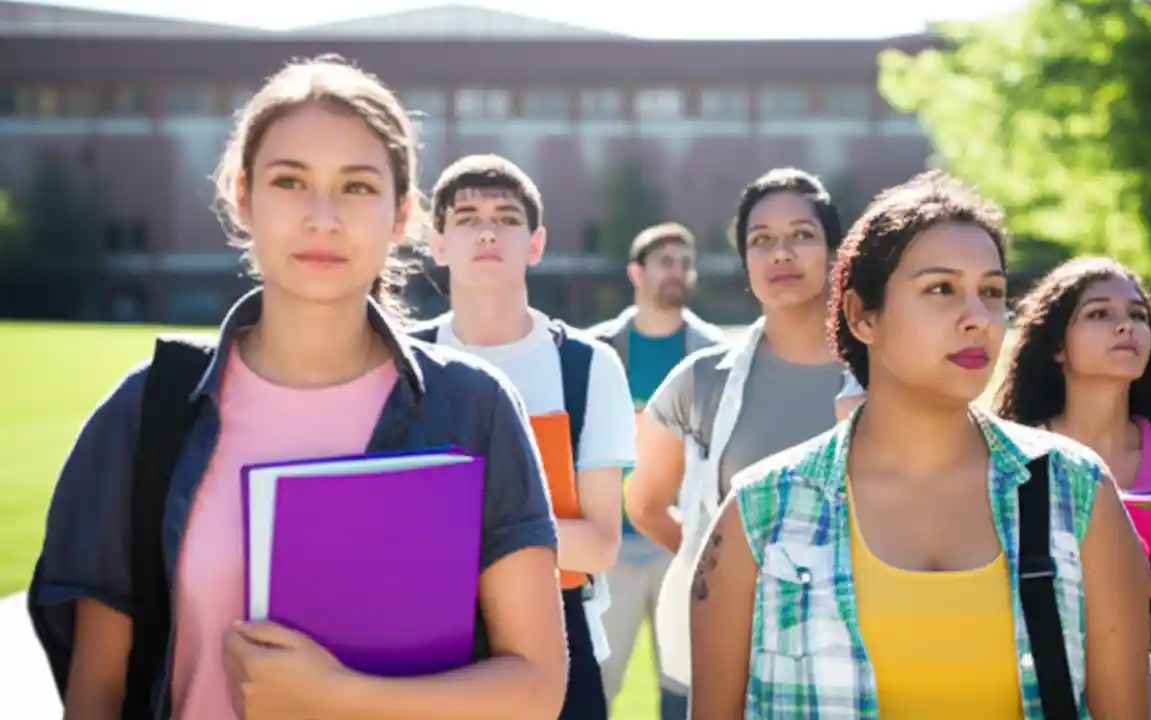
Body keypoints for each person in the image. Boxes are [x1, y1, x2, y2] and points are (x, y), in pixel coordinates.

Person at [26, 56, 567, 720]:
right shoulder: (147, 413)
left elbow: (536, 688)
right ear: (243, 197)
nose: (323, 217)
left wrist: (342, 697)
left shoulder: (473, 407)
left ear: (401, 217)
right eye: (290, 181)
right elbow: (98, 692)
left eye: (358, 187)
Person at [687, 171, 1151, 719]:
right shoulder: (759, 513)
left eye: (993, 292)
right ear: (862, 316)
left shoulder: (1077, 493)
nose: (978, 318)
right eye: (940, 289)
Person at [624, 167, 862, 692]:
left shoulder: (884, 378)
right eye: (762, 241)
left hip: (864, 648)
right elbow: (643, 501)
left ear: (835, 254)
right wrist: (719, 570)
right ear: (745, 261)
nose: (781, 253)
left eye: (802, 235)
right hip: (746, 659)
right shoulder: (701, 382)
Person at [414, 153, 634, 720]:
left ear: (535, 244)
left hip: (557, 627)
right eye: (466, 218)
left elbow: (600, 545)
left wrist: (455, 527)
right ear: (437, 244)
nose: (487, 230)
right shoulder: (400, 360)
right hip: (426, 633)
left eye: (507, 218)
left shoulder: (585, 366)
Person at [994, 256, 1151, 720]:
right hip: (1036, 704)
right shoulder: (1012, 457)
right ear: (1057, 347)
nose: (1126, 327)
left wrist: (1142, 600)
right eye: (1099, 314)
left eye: (1138, 315)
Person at [587, 222, 722, 718]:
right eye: (666, 262)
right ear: (636, 273)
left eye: (686, 263)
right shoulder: (598, 350)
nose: (678, 273)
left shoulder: (715, 356)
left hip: (681, 544)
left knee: (684, 686)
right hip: (611, 549)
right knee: (594, 683)